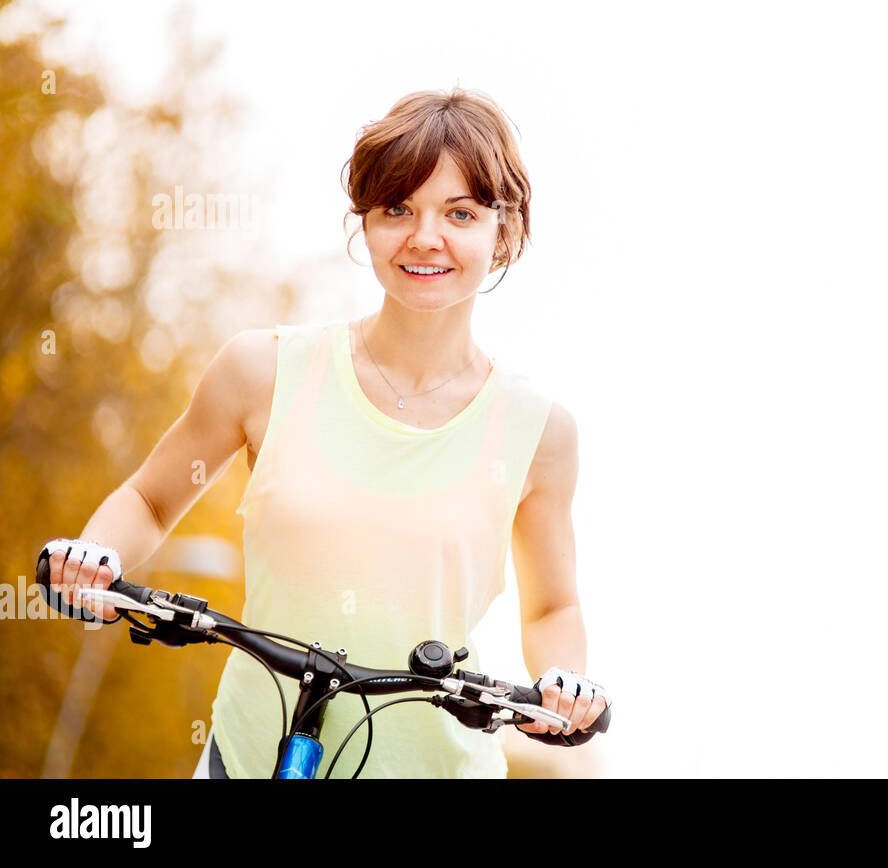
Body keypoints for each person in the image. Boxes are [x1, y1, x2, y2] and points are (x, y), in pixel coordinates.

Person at [40, 87, 610, 778]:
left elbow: (553, 605)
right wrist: (93, 560)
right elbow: (151, 501)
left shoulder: (539, 432)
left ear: (503, 232)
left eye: (459, 213)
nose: (425, 237)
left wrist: (564, 682)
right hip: (250, 755)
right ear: (364, 223)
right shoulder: (264, 370)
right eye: (398, 208)